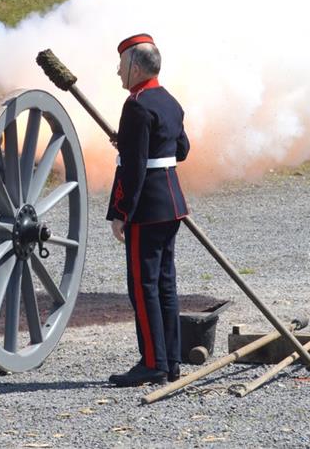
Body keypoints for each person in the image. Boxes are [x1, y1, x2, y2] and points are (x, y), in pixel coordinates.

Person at [106, 33, 189, 387]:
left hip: (147, 208)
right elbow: (181, 149)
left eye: (122, 65)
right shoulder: (168, 101)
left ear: (136, 66)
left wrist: (121, 211)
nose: (118, 72)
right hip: (171, 203)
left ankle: (152, 363)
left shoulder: (137, 105)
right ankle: (170, 361)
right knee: (165, 286)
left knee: (143, 287)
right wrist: (130, 140)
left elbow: (134, 167)